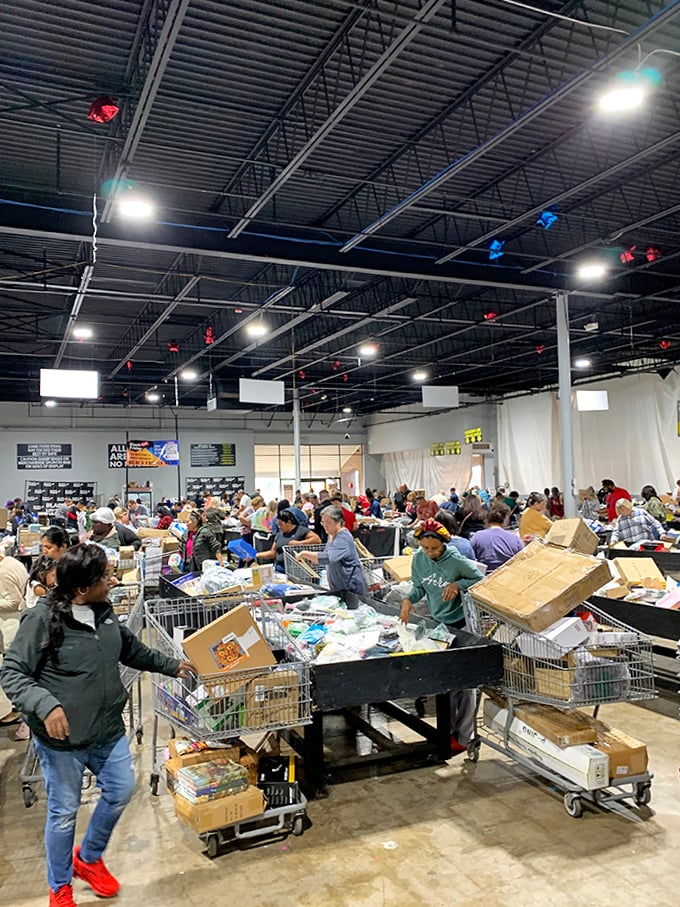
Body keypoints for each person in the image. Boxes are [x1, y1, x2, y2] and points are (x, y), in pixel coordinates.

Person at [0, 543, 192, 906]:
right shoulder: (41, 620)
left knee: (121, 790)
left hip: (106, 729)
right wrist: (46, 705)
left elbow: (131, 649)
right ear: (82, 588)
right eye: (105, 577)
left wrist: (173, 665)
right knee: (63, 813)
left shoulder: (103, 611)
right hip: (63, 741)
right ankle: (59, 886)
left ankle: (87, 859)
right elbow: (12, 673)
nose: (113, 580)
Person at [399, 520, 484, 755]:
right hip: (441, 625)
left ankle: (465, 736)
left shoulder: (455, 559)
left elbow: (479, 579)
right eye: (426, 548)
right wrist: (408, 599)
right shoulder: (419, 559)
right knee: (447, 680)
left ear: (444, 543)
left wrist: (457, 584)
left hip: (462, 624)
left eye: (435, 548)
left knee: (466, 684)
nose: (430, 553)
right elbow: (419, 587)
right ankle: (449, 730)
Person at [296, 505, 367, 601]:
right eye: (323, 522)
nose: (325, 525)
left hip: (351, 589)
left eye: (328, 522)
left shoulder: (343, 538)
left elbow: (327, 558)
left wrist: (304, 554)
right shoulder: (332, 536)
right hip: (339, 588)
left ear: (339, 522)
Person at [256, 509, 321, 572]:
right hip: (279, 567)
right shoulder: (279, 535)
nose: (279, 527)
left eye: (281, 524)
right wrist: (256, 555)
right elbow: (273, 553)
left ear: (289, 522)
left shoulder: (301, 530)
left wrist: (299, 543)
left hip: (296, 569)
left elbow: (317, 540)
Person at [471, 503, 524, 572]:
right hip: (507, 577)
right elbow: (523, 560)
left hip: (484, 578)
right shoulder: (515, 538)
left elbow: (470, 559)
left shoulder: (477, 536)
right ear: (505, 519)